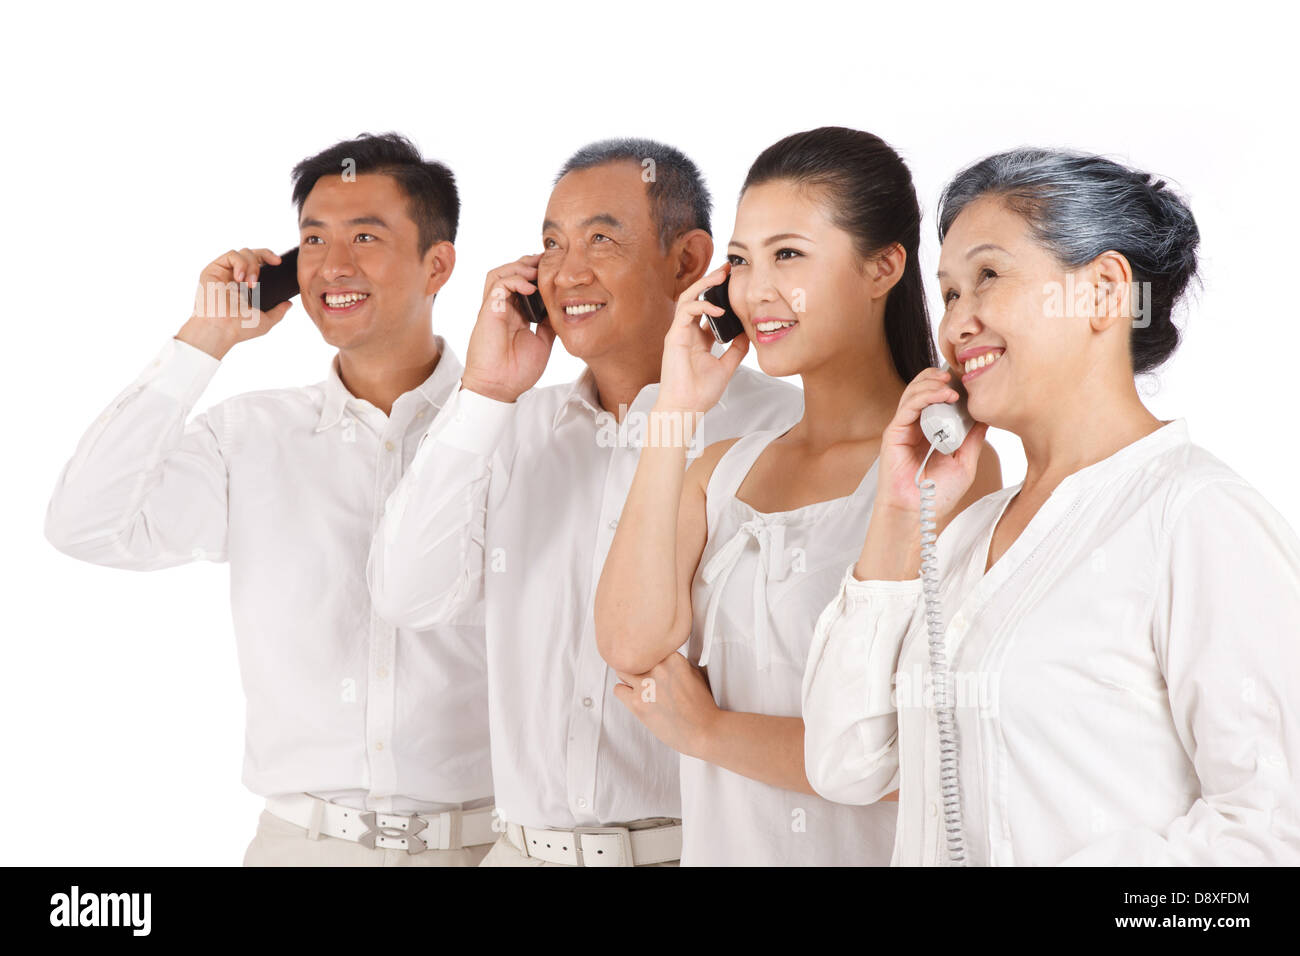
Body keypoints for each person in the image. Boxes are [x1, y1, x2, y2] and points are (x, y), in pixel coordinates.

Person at [802, 147, 1300, 865]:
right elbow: (845, 765)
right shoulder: (968, 532)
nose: (955, 324)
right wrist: (898, 516)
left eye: (988, 278)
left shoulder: (1198, 519)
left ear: (1102, 291)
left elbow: (1274, 832)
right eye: (947, 295)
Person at [44, 133, 496, 866]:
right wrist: (206, 339)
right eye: (312, 239)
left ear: (437, 264)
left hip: (489, 847)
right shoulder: (248, 439)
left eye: (366, 236)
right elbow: (83, 524)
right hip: (302, 848)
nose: (333, 265)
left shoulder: (512, 435)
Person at [367, 138, 804, 866]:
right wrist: (483, 393)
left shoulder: (782, 432)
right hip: (515, 851)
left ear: (689, 262)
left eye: (601, 238)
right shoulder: (508, 428)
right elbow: (406, 596)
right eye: (550, 243)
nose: (566, 271)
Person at [593, 127, 1002, 865]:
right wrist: (677, 407)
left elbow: (920, 754)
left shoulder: (949, 471)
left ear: (883, 267)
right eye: (742, 262)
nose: (755, 291)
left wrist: (710, 731)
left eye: (788, 255)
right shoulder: (717, 471)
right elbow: (628, 645)